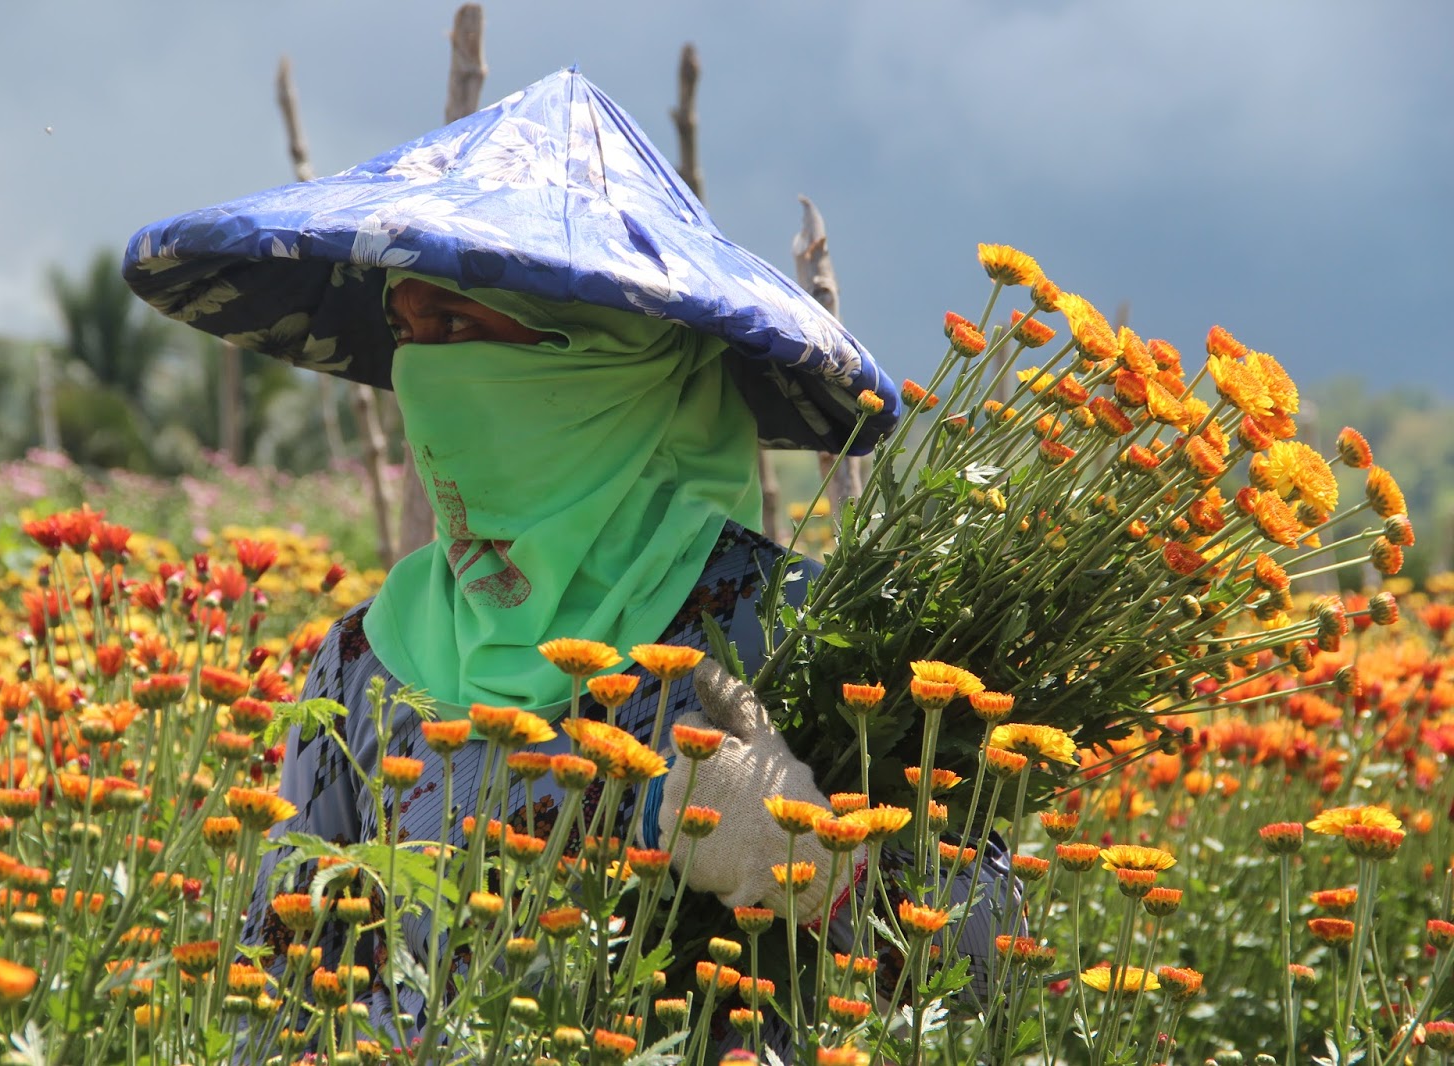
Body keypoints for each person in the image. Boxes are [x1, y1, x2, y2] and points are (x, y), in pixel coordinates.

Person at [124, 67, 1017, 1059]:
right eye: (410, 333)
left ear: (615, 357)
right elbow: (274, 984)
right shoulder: (367, 662)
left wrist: (820, 868)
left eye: (461, 329)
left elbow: (987, 976)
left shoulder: (797, 634)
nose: (428, 378)